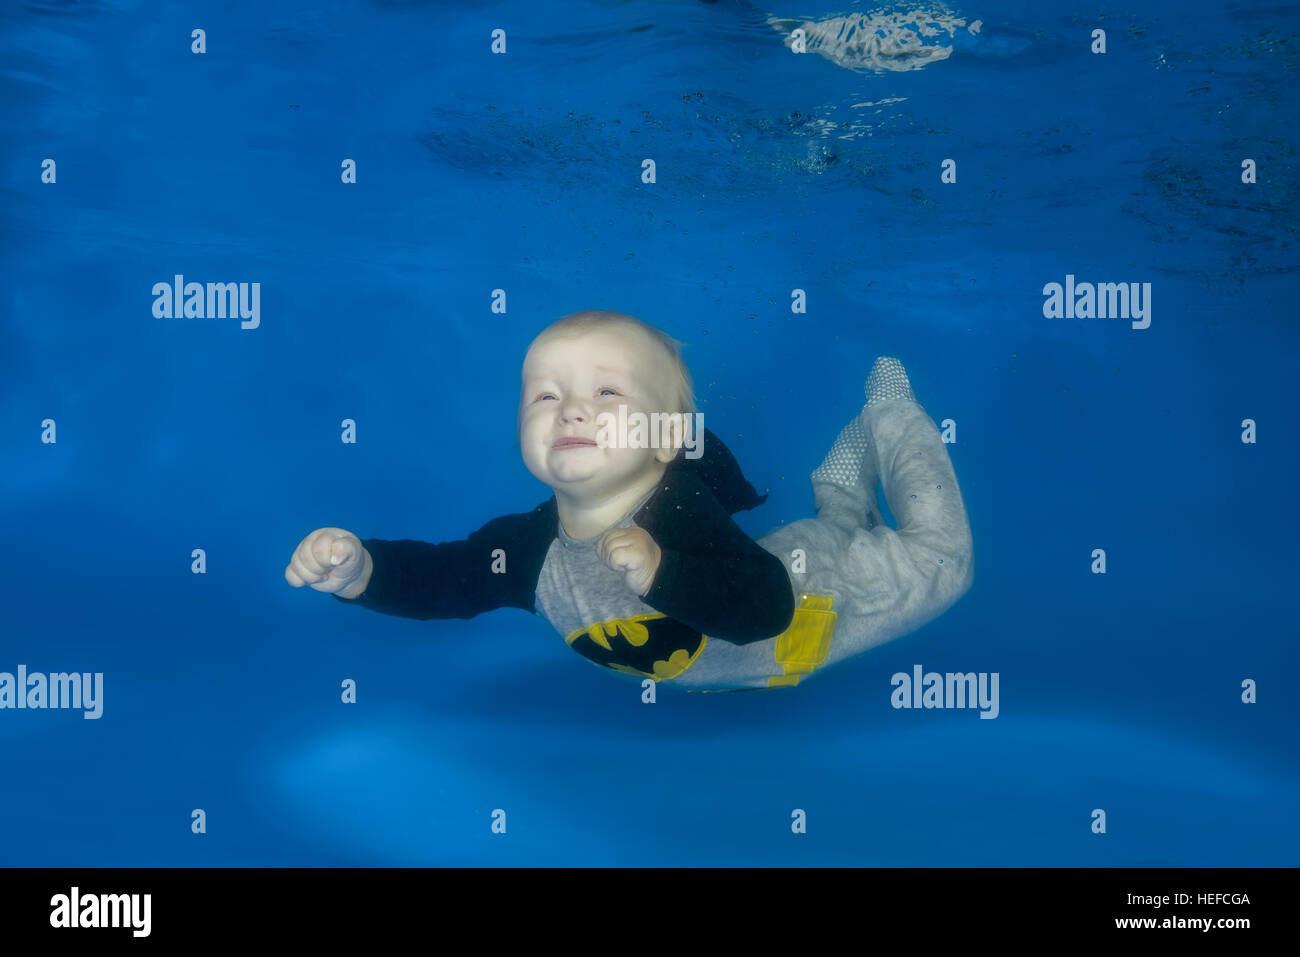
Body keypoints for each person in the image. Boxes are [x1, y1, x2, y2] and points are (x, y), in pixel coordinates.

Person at [285, 310, 973, 690]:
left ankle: (890, 418)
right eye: (545, 395)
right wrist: (362, 571)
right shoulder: (531, 549)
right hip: (769, 639)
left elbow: (766, 605)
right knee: (837, 527)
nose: (572, 410)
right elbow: (449, 581)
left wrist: (658, 571)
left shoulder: (676, 514)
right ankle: (842, 483)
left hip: (824, 603)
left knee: (943, 562)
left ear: (665, 439)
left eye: (607, 392)